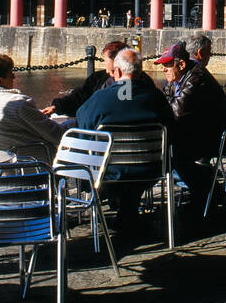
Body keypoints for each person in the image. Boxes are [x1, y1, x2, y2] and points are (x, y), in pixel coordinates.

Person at [75, 48, 176, 238]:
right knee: (132, 170)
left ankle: (122, 211)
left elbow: (83, 127)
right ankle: (128, 212)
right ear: (139, 72)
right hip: (152, 169)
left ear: (118, 72)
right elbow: (172, 130)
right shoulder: (157, 98)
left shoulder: (100, 99)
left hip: (109, 171)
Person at [157, 41, 226, 204]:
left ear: (182, 64)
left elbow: (175, 112)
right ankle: (202, 186)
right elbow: (165, 102)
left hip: (215, 137)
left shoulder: (196, 78)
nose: (163, 69)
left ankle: (206, 187)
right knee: (167, 150)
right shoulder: (178, 78)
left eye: (167, 65)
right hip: (198, 132)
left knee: (170, 152)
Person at [0, 53, 67, 162]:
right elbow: (56, 135)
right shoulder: (19, 103)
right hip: (29, 166)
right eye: (11, 75)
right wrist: (69, 124)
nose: (14, 77)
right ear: (0, 80)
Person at [43, 40, 125, 117]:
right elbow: (79, 96)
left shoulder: (126, 85)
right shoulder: (97, 78)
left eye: (105, 60)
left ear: (116, 61)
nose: (104, 63)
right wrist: (56, 107)